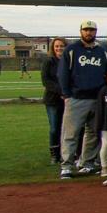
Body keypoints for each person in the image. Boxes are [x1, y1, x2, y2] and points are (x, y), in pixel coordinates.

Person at [58, 20, 107, 179]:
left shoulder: (102, 51)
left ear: (96, 32)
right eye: (86, 30)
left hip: (97, 97)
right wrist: (67, 94)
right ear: (81, 31)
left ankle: (87, 163)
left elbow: (106, 74)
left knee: (93, 133)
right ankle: (66, 165)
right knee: (71, 133)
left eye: (92, 30)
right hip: (77, 98)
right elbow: (63, 73)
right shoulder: (72, 50)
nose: (89, 33)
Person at [42, 37, 68, 165]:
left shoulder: (69, 61)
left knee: (66, 128)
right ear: (53, 48)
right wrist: (61, 91)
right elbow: (46, 81)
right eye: (57, 46)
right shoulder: (49, 62)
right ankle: (54, 154)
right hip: (52, 100)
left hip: (67, 100)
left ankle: (66, 153)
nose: (59, 48)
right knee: (54, 128)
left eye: (62, 46)